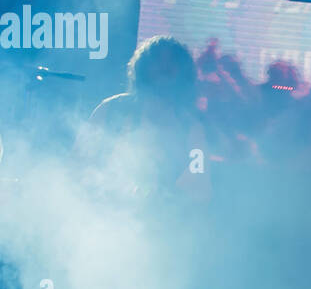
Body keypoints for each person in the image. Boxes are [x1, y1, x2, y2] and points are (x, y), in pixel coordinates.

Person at [77, 35, 212, 202]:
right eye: (157, 60)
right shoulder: (110, 109)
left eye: (172, 62)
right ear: (143, 67)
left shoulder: (192, 128)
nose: (164, 67)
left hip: (161, 221)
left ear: (183, 72)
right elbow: (79, 163)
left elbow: (199, 185)